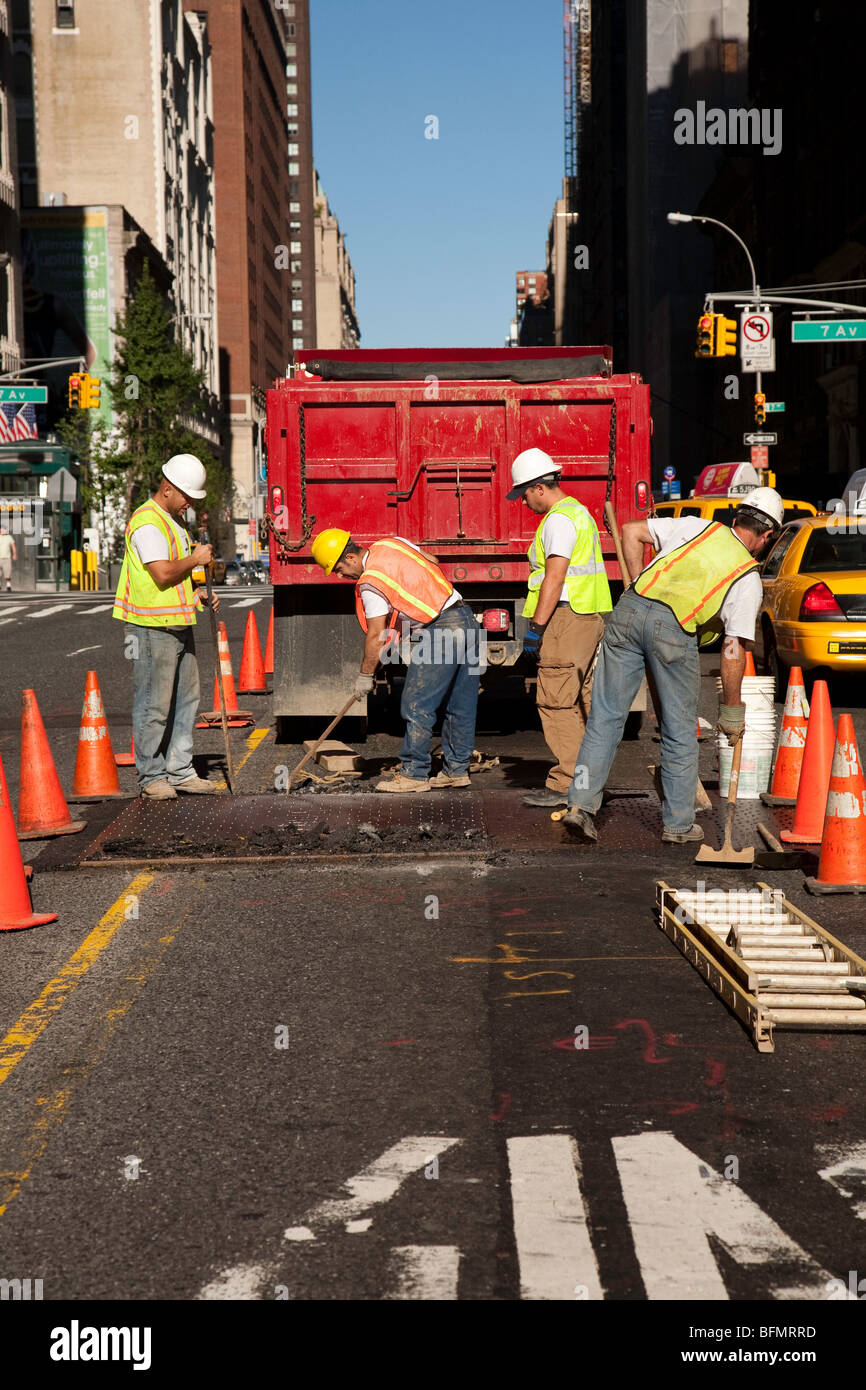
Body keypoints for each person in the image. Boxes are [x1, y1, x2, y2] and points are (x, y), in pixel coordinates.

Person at [561, 486, 784, 844]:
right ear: (767, 535)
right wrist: (730, 711)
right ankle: (678, 826)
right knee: (679, 730)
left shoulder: (698, 526)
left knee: (604, 719)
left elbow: (631, 531)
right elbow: (731, 651)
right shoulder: (747, 577)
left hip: (629, 612)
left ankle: (580, 806)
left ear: (737, 517)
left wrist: (635, 583)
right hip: (674, 632)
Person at [311, 529, 481, 793]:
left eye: (338, 569)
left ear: (351, 558)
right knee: (460, 704)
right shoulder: (392, 543)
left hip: (443, 630)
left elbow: (376, 636)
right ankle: (456, 771)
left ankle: (414, 773)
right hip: (467, 619)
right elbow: (432, 560)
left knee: (416, 703)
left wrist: (365, 676)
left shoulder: (370, 583)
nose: (341, 576)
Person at [507, 448, 612, 809]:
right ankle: (588, 780)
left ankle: (569, 784)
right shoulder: (579, 514)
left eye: (523, 494)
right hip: (585, 618)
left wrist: (536, 628)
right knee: (581, 701)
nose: (523, 503)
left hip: (566, 619)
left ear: (539, 487)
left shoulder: (557, 520)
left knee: (555, 701)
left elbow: (554, 577)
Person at [112, 454, 221, 799]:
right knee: (154, 705)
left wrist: (198, 592)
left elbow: (177, 577)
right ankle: (151, 777)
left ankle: (179, 770)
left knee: (187, 700)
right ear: (167, 488)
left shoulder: (173, 521)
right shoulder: (148, 522)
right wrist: (196, 559)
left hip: (178, 623)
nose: (190, 502)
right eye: (187, 495)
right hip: (151, 626)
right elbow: (161, 572)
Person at [0, 525, 16, 591]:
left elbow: (13, 546)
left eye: (5, 529)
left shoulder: (9, 537)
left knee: (8, 572)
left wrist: (15, 554)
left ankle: (8, 585)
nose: (4, 531)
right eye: (3, 529)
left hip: (7, 557)